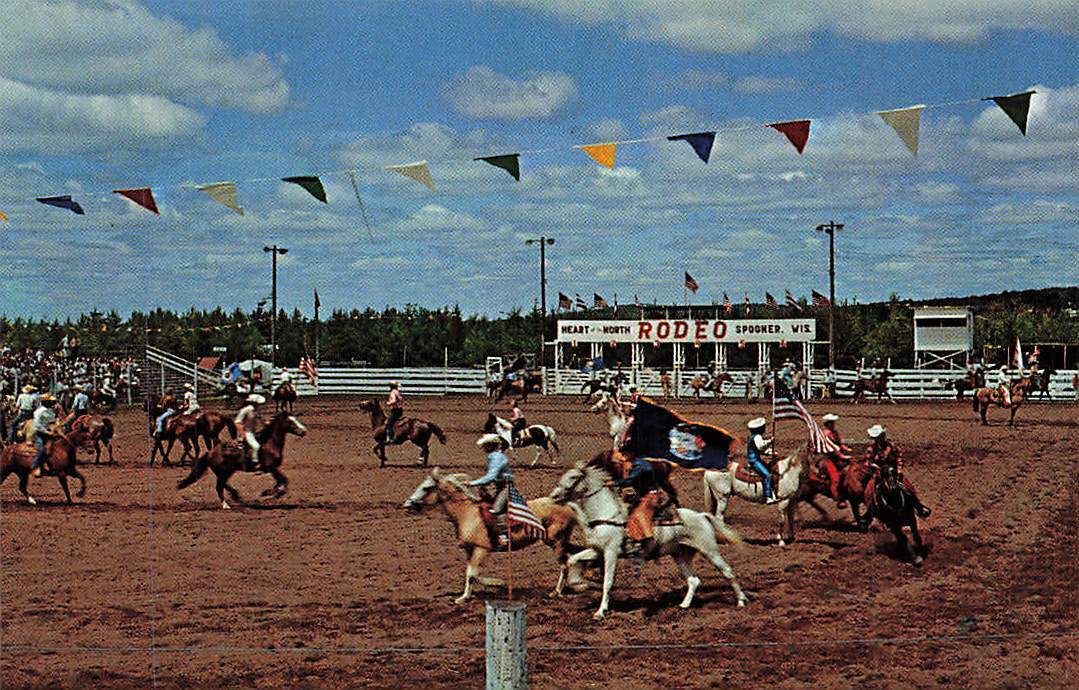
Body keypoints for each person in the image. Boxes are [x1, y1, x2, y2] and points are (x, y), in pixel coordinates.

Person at [863, 425, 931, 518]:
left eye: (880, 437)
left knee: (907, 488)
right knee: (871, 491)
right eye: (877, 437)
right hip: (879, 474)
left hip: (893, 472)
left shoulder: (891, 447)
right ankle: (870, 514)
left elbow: (899, 457)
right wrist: (874, 466)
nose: (879, 439)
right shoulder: (871, 449)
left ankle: (918, 507)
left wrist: (898, 469)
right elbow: (867, 463)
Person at [618, 454, 663, 561]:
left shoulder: (640, 465)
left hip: (651, 496)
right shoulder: (635, 463)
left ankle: (648, 541)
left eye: (626, 452)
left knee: (638, 514)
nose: (623, 455)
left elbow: (630, 480)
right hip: (644, 494)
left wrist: (614, 483)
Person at [470, 434, 514, 542]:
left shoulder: (497, 457)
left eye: (484, 445)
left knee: (496, 509)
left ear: (490, 446)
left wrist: (472, 483)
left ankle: (504, 535)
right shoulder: (494, 456)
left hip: (506, 487)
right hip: (499, 487)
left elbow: (491, 476)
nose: (483, 448)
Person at [819, 413, 853, 507]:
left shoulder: (835, 432)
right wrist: (842, 456)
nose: (833, 424)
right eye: (831, 423)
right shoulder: (825, 435)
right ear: (828, 424)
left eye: (833, 422)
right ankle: (838, 498)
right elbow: (832, 449)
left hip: (836, 457)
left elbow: (840, 444)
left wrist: (846, 449)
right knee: (835, 478)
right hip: (828, 459)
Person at [746, 417, 778, 503]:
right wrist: (770, 441)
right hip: (754, 460)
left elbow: (760, 450)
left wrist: (770, 452)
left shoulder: (753, 437)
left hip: (755, 458)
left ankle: (773, 494)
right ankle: (767, 497)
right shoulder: (757, 437)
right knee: (767, 475)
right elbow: (761, 446)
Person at [30, 393, 58, 477]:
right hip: (39, 433)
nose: (52, 403)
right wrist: (48, 432)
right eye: (50, 401)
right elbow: (37, 426)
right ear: (45, 402)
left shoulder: (50, 411)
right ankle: (34, 467)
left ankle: (52, 466)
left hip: (49, 432)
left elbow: (52, 421)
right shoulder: (39, 412)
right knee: (42, 449)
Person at [235, 393, 265, 470]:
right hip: (247, 432)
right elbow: (237, 422)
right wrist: (243, 434)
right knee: (256, 446)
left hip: (254, 431)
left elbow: (261, 419)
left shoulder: (256, 410)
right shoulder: (246, 410)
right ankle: (255, 463)